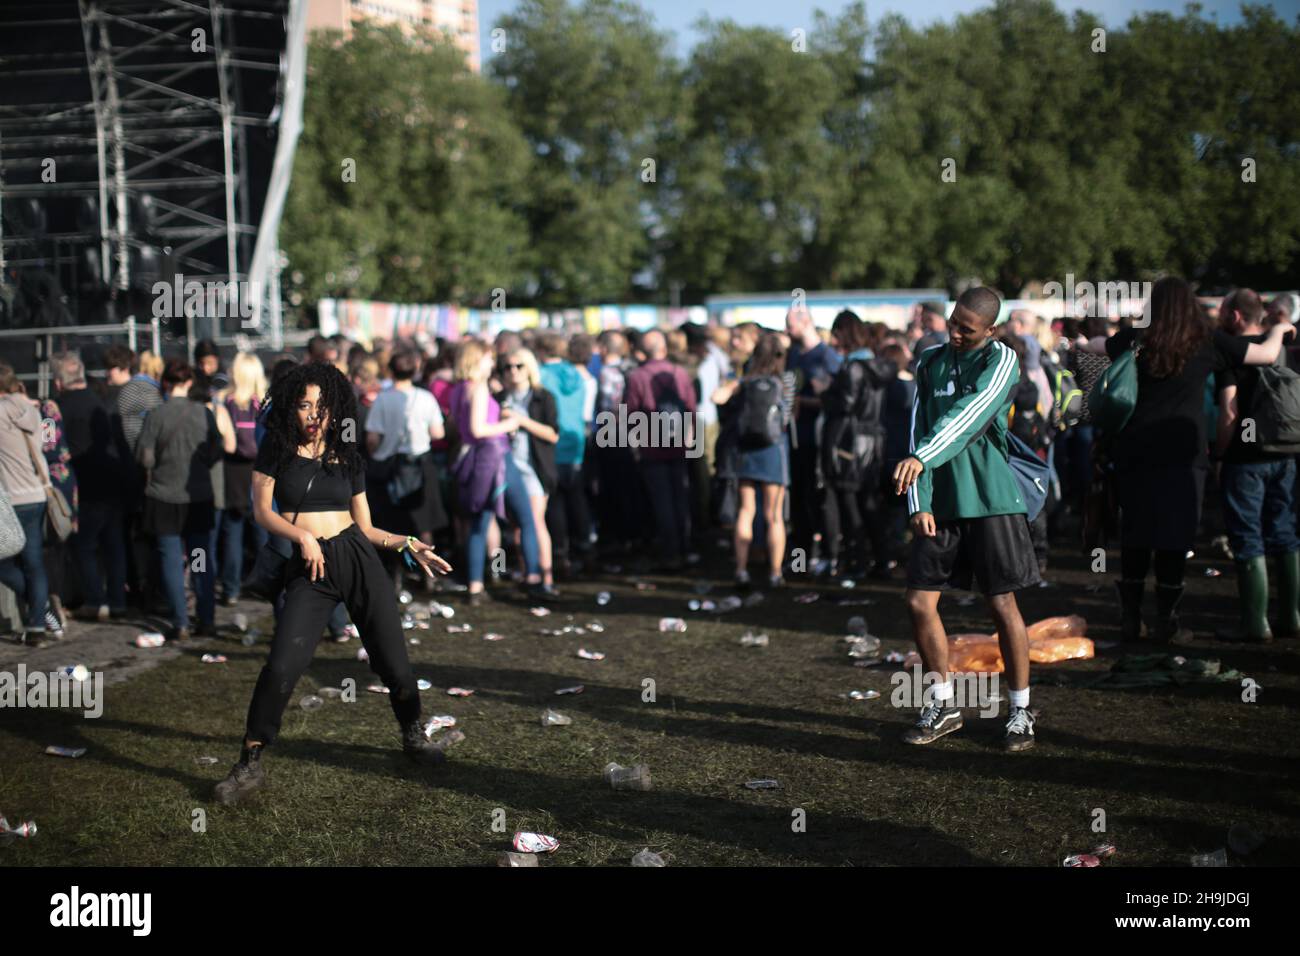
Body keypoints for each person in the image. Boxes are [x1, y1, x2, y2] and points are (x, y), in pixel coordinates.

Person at [213, 362, 455, 805]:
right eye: (304, 405)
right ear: (290, 406)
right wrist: (302, 535)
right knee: (282, 666)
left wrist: (407, 543)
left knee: (396, 665)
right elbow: (262, 511)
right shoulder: (275, 448)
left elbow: (365, 528)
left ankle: (413, 735)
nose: (312, 415)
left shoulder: (347, 450)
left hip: (356, 559)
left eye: (321, 407)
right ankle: (249, 760)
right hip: (310, 568)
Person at [1107, 278, 1295, 644]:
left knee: (1136, 534)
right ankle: (1168, 622)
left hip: (1134, 450)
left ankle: (1131, 620)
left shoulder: (1132, 341)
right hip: (1183, 454)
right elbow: (1267, 355)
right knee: (1174, 537)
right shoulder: (1205, 342)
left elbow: (1102, 346)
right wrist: (1278, 329)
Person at [893, 287, 1041, 752]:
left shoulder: (1003, 361)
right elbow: (917, 428)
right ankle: (943, 702)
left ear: (990, 331)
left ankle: (1019, 711)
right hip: (941, 502)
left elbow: (969, 415)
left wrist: (921, 457)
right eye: (953, 322)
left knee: (1002, 606)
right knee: (919, 602)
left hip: (992, 500)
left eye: (966, 329)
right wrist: (919, 502)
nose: (954, 333)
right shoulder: (930, 361)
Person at [1213, 288, 1300, 641]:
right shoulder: (1283, 348)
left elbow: (1229, 413)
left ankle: (1255, 624)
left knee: (1248, 537)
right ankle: (1292, 617)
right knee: (1285, 533)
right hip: (1287, 452)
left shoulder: (1231, 354)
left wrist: (1219, 453)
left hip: (1246, 459)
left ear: (1235, 316)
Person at [449, 340, 543, 605]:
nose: (493, 364)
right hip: (494, 456)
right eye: (489, 359)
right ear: (477, 359)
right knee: (525, 518)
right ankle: (533, 579)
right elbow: (479, 429)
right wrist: (508, 423)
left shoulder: (458, 390)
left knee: (479, 523)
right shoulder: (478, 388)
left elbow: (458, 427)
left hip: (473, 459)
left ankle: (475, 586)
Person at [136, 359, 223, 640]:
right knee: (200, 558)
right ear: (189, 383)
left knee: (171, 561)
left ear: (165, 383)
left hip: (164, 497)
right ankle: (206, 619)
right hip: (198, 497)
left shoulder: (155, 416)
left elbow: (145, 457)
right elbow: (215, 452)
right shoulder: (204, 413)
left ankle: (181, 621)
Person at [819, 311, 899, 580]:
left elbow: (846, 405)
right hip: (873, 440)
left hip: (850, 442)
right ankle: (881, 559)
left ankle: (859, 562)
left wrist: (826, 392)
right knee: (869, 504)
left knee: (852, 504)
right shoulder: (876, 365)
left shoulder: (852, 368)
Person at [52, 351, 128, 621]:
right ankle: (118, 600)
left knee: (83, 546)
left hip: (83, 486)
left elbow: (49, 446)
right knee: (113, 544)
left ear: (58, 381)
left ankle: (95, 600)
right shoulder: (100, 402)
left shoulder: (57, 408)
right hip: (112, 479)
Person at [365, 348, 450, 589]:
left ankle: (396, 577)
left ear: (390, 371)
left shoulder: (382, 398)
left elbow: (372, 438)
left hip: (389, 466)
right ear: (415, 371)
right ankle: (429, 575)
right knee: (424, 523)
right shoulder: (425, 398)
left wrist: (376, 453)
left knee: (392, 525)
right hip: (420, 463)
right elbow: (438, 433)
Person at [713, 333, 791, 587]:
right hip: (773, 451)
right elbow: (789, 418)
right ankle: (775, 572)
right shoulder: (785, 381)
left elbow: (717, 397)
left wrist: (733, 383)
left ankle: (741, 570)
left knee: (745, 511)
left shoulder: (745, 381)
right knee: (774, 515)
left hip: (746, 451)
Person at [624, 329, 698, 571]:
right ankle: (686, 548)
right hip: (679, 445)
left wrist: (635, 447)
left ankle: (670, 552)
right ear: (664, 349)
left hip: (651, 447)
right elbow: (691, 410)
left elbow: (632, 415)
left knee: (662, 500)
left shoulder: (637, 376)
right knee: (681, 498)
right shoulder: (680, 373)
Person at [0, 363, 58, 644]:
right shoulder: (33, 410)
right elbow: (48, 445)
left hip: (11, 500)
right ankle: (38, 622)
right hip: (36, 495)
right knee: (34, 563)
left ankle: (41, 609)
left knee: (3, 562)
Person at [496, 347, 560, 595]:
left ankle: (545, 578)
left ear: (529, 368)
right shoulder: (499, 397)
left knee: (534, 522)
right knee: (517, 526)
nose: (513, 371)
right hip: (507, 467)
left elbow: (552, 434)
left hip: (534, 468)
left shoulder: (543, 397)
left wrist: (521, 421)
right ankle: (528, 574)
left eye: (519, 366)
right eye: (507, 367)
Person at [786, 307, 842, 573]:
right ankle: (801, 560)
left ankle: (829, 557)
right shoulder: (794, 355)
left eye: (790, 325)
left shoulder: (826, 357)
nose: (787, 331)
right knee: (798, 502)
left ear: (806, 322)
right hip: (795, 441)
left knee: (821, 499)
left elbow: (833, 400)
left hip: (819, 441)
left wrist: (801, 401)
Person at [536, 333, 592, 578]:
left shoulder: (540, 376)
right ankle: (586, 547)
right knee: (577, 498)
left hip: (553, 445)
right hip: (576, 443)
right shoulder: (577, 375)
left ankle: (560, 553)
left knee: (556, 501)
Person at [217, 352, 268, 605]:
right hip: (260, 473)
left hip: (232, 473)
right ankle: (267, 582)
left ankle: (231, 588)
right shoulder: (265, 405)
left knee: (232, 534)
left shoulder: (225, 402)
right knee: (262, 531)